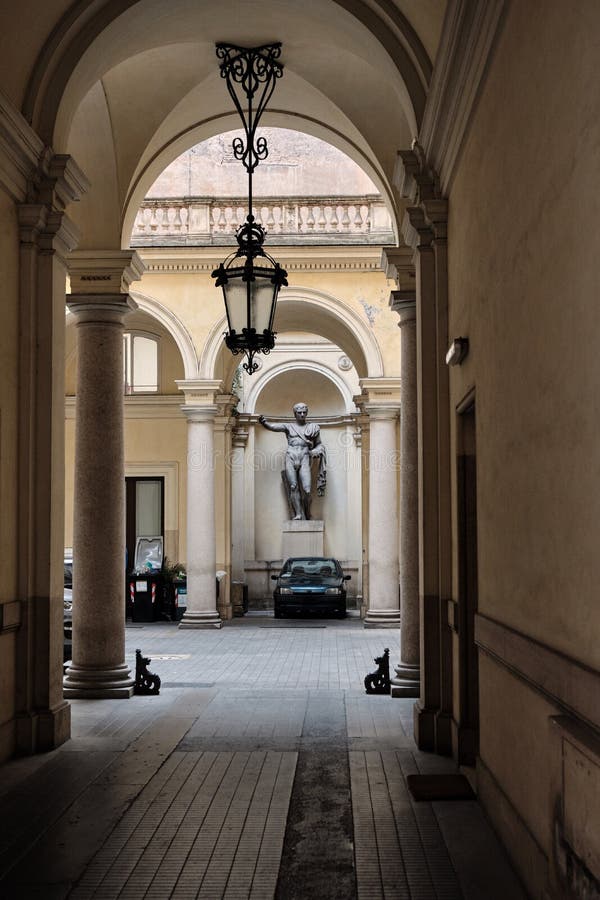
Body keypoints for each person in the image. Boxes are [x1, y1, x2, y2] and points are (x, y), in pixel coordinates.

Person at [258, 402, 326, 520]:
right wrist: (264, 422)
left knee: (307, 489)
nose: (302, 414)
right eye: (299, 412)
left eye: (304, 412)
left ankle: (306, 512)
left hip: (304, 456)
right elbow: (273, 427)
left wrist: (314, 451)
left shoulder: (312, 428)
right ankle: (299, 513)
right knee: (293, 486)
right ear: (295, 414)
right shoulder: (289, 426)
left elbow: (320, 445)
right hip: (291, 455)